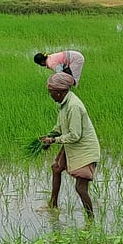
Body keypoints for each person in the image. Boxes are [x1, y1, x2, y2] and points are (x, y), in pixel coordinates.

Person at [38, 72, 100, 218]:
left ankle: (91, 219)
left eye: (51, 92)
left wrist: (53, 141)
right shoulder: (64, 104)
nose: (50, 95)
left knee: (80, 188)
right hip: (72, 146)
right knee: (56, 168)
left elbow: (75, 135)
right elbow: (60, 126)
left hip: (85, 149)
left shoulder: (74, 106)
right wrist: (50, 136)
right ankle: (53, 205)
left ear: (60, 92)